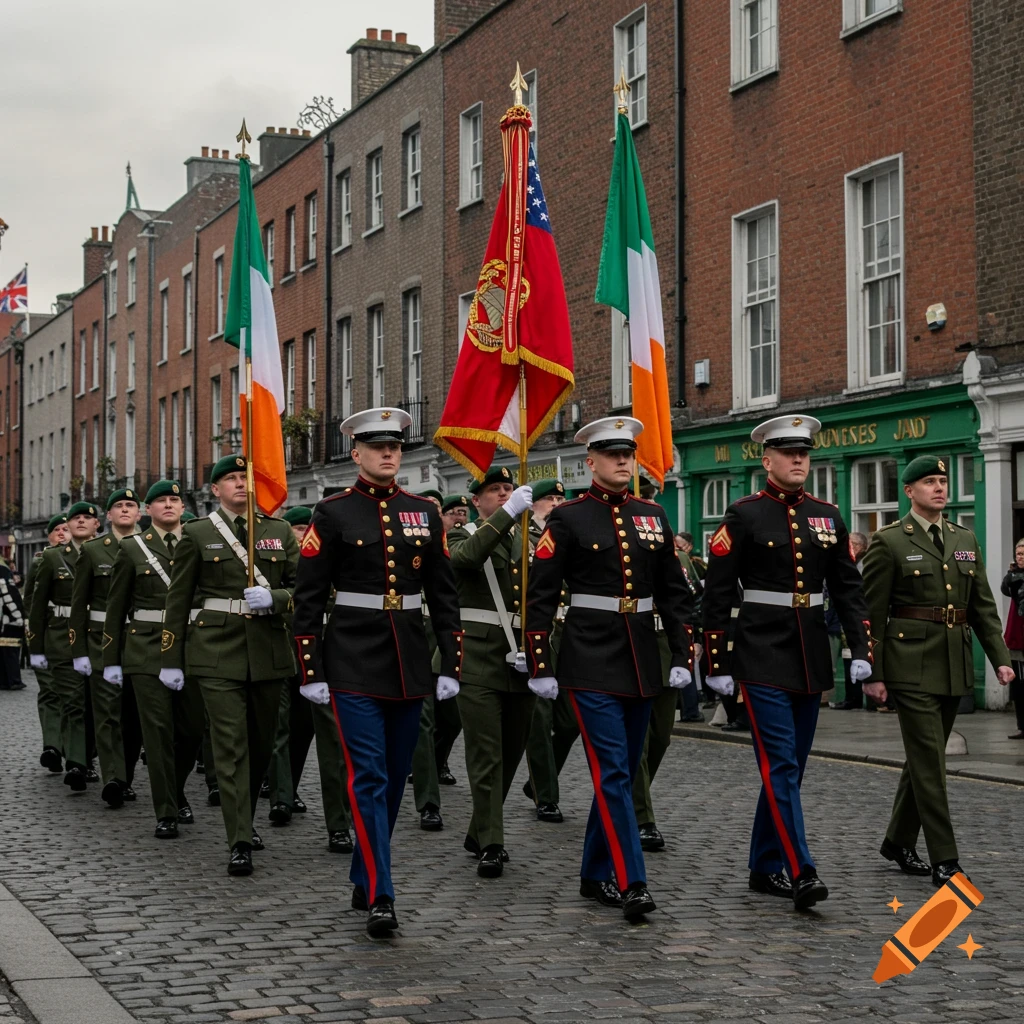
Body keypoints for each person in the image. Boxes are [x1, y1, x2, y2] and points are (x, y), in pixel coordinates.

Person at [292, 408, 462, 937]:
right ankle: (383, 894)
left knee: (391, 780)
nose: (389, 454)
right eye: (377, 446)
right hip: (351, 659)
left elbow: (443, 593)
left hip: (409, 661)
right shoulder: (333, 512)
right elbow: (308, 597)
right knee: (367, 775)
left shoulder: (423, 512)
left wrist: (450, 661)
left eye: (395, 446)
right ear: (357, 453)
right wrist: (310, 666)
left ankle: (366, 871)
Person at [526, 417, 695, 921]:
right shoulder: (569, 519)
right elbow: (538, 598)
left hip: (642, 659)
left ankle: (594, 873)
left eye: (628, 453)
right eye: (612, 454)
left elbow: (674, 595)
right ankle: (632, 880)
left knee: (619, 772)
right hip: (588, 659)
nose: (624, 461)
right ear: (590, 462)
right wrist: (541, 663)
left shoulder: (652, 516)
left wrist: (684, 656)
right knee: (615, 771)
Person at [702, 415, 871, 910]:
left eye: (805, 451)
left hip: (810, 654)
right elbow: (715, 594)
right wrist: (717, 660)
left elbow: (848, 589)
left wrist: (862, 650)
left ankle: (763, 864)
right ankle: (801, 869)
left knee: (790, 770)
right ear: (767, 459)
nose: (799, 459)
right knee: (779, 764)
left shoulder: (827, 515)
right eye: (788, 451)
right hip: (759, 654)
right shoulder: (743, 515)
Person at [862, 455, 1013, 886]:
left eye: (943, 481)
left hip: (953, 661)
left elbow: (982, 605)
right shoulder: (889, 541)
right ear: (909, 491)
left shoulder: (963, 537)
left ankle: (897, 840)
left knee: (922, 759)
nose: (940, 488)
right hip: (908, 665)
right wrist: (872, 673)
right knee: (932, 762)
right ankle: (945, 858)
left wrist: (1000, 658)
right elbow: (870, 613)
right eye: (929, 482)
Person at [161, 455, 300, 877]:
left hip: (268, 651)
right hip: (216, 651)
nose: (240, 484)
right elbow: (178, 599)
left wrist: (275, 599)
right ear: (215, 490)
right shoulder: (198, 534)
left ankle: (246, 814)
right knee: (230, 745)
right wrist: (171, 658)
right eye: (231, 479)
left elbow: (303, 589)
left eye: (245, 478)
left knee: (260, 745)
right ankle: (239, 837)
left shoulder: (278, 532)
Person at [103, 481, 205, 838]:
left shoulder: (202, 541)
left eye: (175, 499)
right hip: (145, 649)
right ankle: (167, 810)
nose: (169, 505)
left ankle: (175, 790)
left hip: (193, 646)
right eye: (160, 501)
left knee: (192, 729)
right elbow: (115, 608)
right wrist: (111, 658)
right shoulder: (133, 549)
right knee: (158, 732)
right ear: (148, 510)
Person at [448, 464, 536, 878]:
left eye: (509, 489)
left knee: (513, 752)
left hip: (522, 657)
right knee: (486, 755)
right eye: (495, 490)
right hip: (477, 658)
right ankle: (492, 844)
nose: (504, 494)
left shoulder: (531, 540)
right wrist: (506, 515)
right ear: (475, 500)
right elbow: (465, 560)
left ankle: (478, 828)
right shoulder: (461, 535)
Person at [266, 505, 353, 854]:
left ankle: (339, 824)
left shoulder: (346, 557)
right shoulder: (290, 558)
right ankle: (282, 798)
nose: (304, 534)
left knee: (328, 741)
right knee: (281, 729)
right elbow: (297, 597)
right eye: (298, 528)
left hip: (334, 654)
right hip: (285, 651)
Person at [69, 487, 144, 808]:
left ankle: (125, 772)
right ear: (108, 517)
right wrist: (79, 651)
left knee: (134, 714)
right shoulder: (94, 551)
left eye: (131, 505)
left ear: (139, 514)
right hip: (102, 642)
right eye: (119, 506)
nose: (125, 510)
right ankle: (115, 777)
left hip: (142, 641)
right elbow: (78, 605)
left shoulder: (150, 547)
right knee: (108, 712)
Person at [633, 527, 703, 852]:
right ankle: (643, 818)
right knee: (639, 743)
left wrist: (696, 639)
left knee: (661, 737)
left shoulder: (680, 557)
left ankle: (626, 794)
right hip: (635, 646)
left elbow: (689, 598)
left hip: (669, 649)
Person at [28, 502, 104, 792]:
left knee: (97, 705)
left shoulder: (111, 554)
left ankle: (92, 756)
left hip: (98, 637)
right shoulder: (50, 559)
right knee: (71, 702)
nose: (82, 521)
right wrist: (35, 647)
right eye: (76, 518)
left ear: (98, 524)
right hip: (61, 639)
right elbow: (35, 607)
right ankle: (76, 762)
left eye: (88, 517)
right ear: (67, 526)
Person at [412, 492, 466, 830]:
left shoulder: (457, 543)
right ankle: (428, 801)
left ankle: (435, 762)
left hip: (444, 641)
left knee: (452, 718)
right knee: (422, 723)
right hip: (413, 639)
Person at [521, 477, 572, 824]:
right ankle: (546, 795)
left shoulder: (571, 535)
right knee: (539, 722)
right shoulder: (523, 539)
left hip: (568, 634)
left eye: (559, 497)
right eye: (548, 498)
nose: (555, 503)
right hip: (537, 633)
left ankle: (539, 780)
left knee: (570, 722)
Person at [24, 515, 69, 770]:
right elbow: (30, 600)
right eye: (57, 530)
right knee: (51, 691)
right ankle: (52, 746)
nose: (62, 534)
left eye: (66, 528)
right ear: (49, 535)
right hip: (49, 634)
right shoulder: (41, 561)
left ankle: (79, 751)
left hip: (78, 637)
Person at [1000, 539, 1024, 740]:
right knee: (1019, 686)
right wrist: (1011, 576)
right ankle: (1022, 726)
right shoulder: (1012, 576)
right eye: (1018, 554)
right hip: (1018, 637)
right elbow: (1005, 590)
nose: (1020, 557)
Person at [0, 557, 26, 691]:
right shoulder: (4, 574)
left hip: (7, 622)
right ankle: (12, 680)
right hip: (10, 622)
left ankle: (6, 680)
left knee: (8, 652)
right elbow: (14, 602)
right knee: (10, 653)